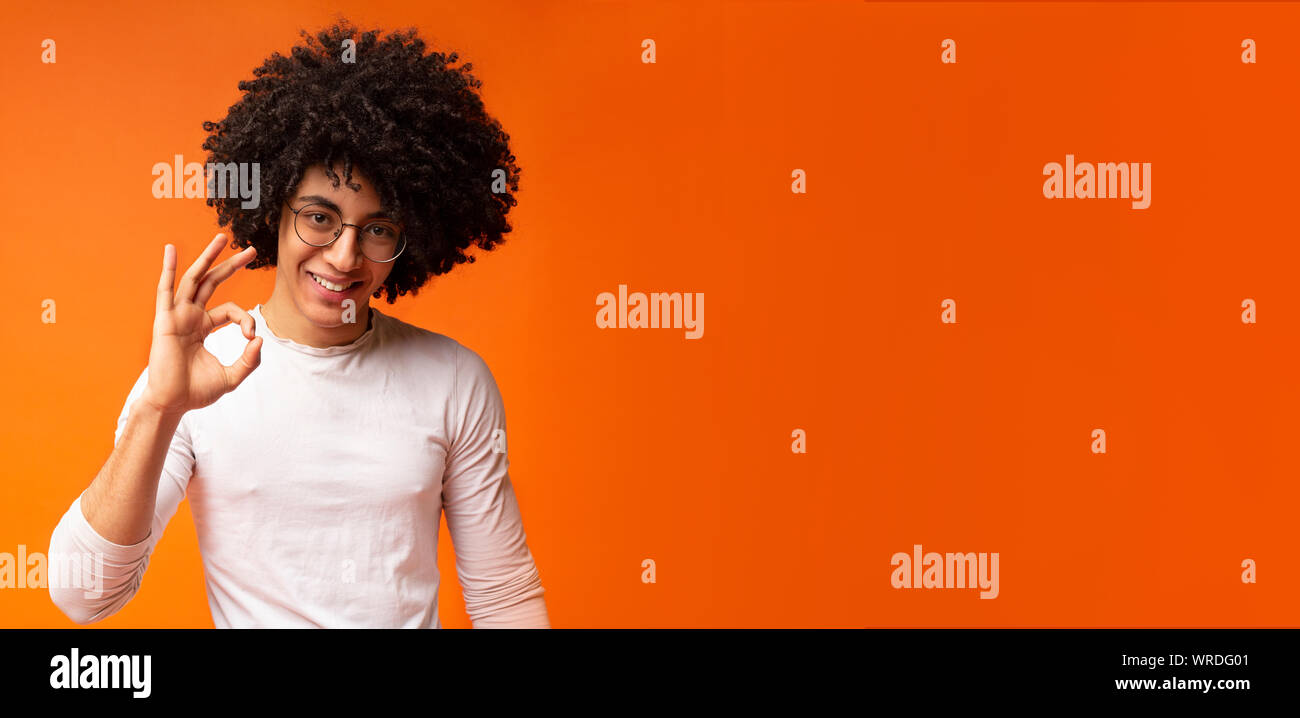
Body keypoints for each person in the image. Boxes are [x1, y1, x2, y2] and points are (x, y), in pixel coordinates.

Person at [47, 19, 549, 628]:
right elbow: (82, 596)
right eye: (319, 217)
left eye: (378, 229)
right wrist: (160, 407)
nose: (344, 256)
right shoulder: (194, 377)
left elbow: (504, 598)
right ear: (274, 210)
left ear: (410, 239)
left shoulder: (454, 380)